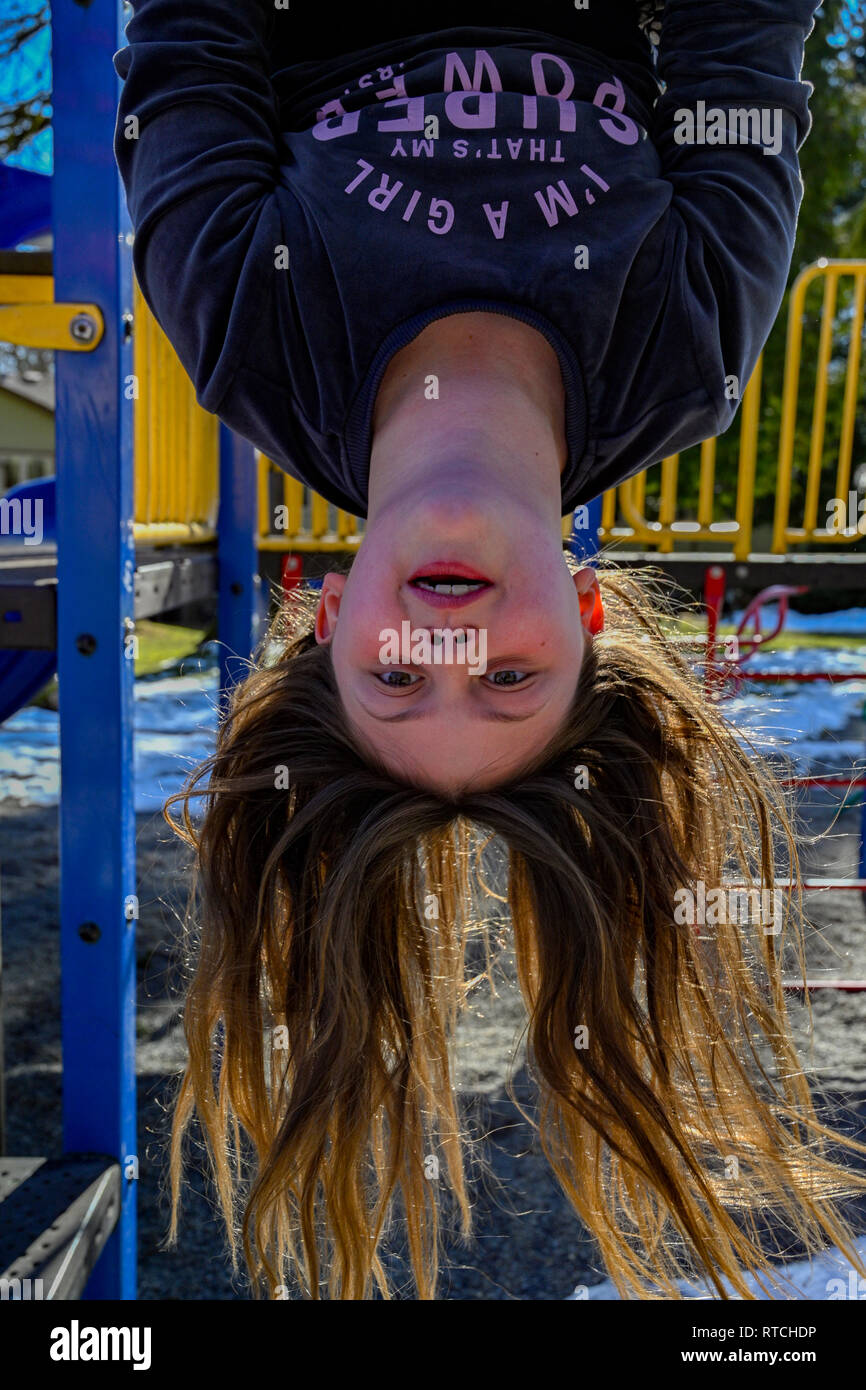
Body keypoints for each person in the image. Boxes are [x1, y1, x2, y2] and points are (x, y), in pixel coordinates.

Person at [115, 0, 866, 1299]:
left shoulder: (241, 318)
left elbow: (191, 30)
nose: (445, 642)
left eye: (398, 678)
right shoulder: (685, 335)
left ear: (332, 624)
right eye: (506, 681)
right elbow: (740, 31)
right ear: (583, 624)